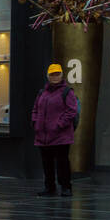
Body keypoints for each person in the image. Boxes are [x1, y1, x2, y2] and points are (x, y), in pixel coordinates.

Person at [32, 63, 78, 197]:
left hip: (61, 136)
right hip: (43, 135)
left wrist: (58, 125)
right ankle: (50, 187)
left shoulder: (67, 92)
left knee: (62, 163)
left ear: (62, 75)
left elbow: (71, 111)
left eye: (57, 74)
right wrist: (35, 123)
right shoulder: (42, 93)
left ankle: (66, 187)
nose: (55, 76)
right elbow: (35, 109)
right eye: (52, 74)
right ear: (48, 76)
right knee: (47, 164)